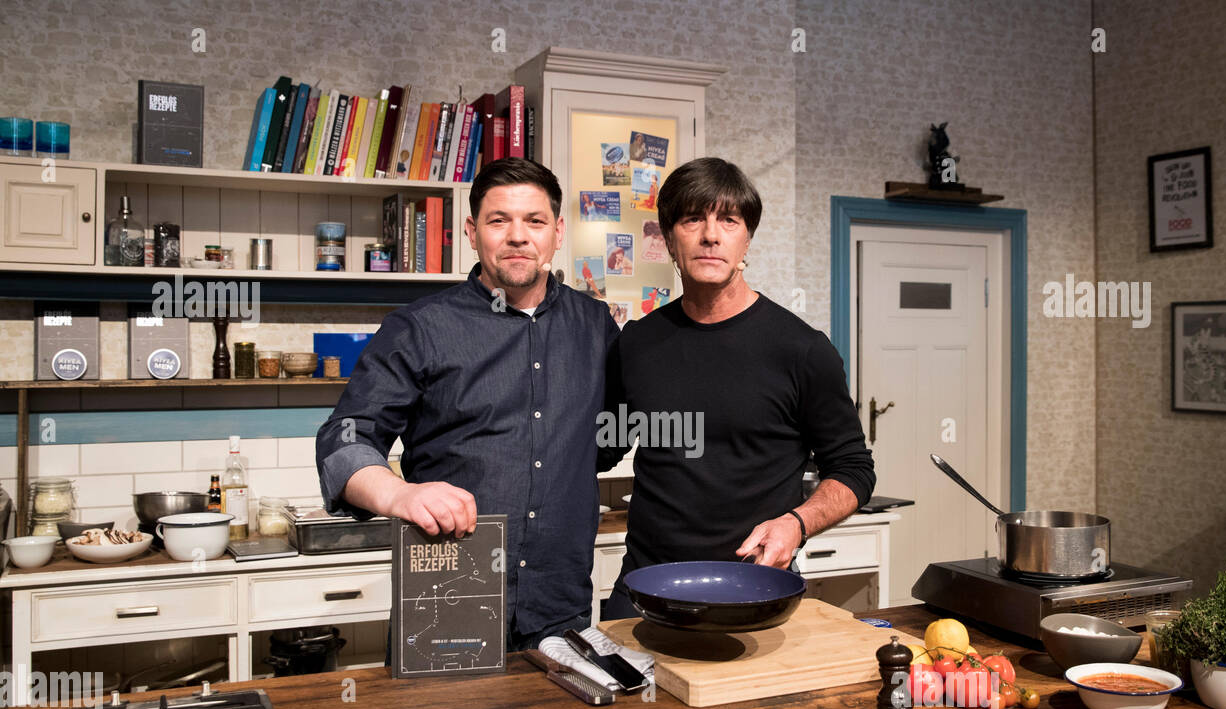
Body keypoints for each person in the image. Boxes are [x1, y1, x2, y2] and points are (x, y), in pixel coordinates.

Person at [316, 158, 619, 652]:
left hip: (561, 605)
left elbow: (608, 436)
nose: (518, 236)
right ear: (472, 231)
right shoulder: (419, 328)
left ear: (557, 232)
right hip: (446, 600)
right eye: (499, 220)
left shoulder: (595, 324)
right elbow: (346, 436)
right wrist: (399, 495)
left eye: (535, 221)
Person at [599, 157, 875, 618]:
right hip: (643, 590)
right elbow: (601, 445)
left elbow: (853, 470)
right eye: (693, 219)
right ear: (668, 238)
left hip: (753, 587)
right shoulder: (638, 343)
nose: (711, 235)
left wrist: (797, 523)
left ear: (746, 238)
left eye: (728, 220)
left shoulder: (802, 350)